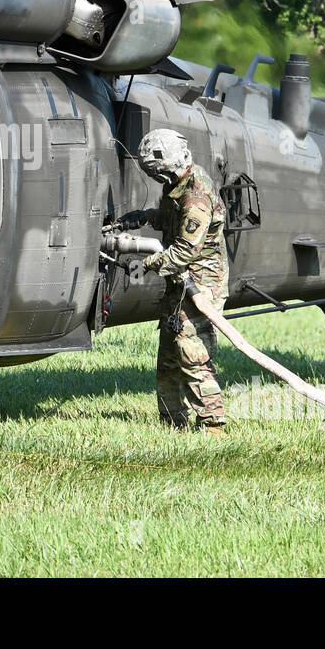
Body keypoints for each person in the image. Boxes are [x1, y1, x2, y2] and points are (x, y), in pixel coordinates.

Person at [107, 128, 229, 434]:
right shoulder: (178, 184)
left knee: (192, 354)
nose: (156, 179)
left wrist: (144, 263)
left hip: (201, 284)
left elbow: (183, 251)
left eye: (156, 172)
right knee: (169, 355)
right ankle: (173, 422)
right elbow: (170, 217)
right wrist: (145, 216)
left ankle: (212, 425)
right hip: (180, 284)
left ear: (166, 166)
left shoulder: (196, 197)